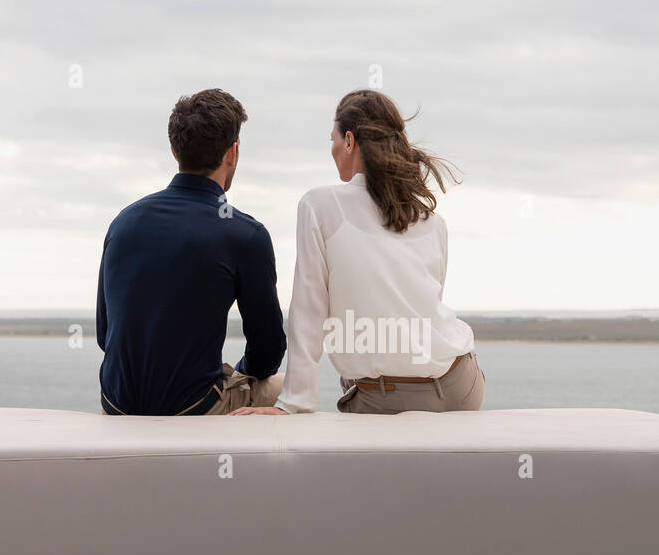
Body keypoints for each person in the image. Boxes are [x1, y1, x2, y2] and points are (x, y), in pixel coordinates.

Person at [233, 89, 482, 416]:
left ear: (349, 141)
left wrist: (294, 403)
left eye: (332, 138)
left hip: (386, 396)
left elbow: (309, 313)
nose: (332, 149)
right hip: (461, 384)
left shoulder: (319, 204)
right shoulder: (432, 221)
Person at [97, 89, 286, 415]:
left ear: (174, 150)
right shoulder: (246, 234)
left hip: (117, 405)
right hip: (192, 407)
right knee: (287, 387)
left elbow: (105, 335)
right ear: (232, 152)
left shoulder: (123, 222)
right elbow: (267, 353)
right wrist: (236, 372)